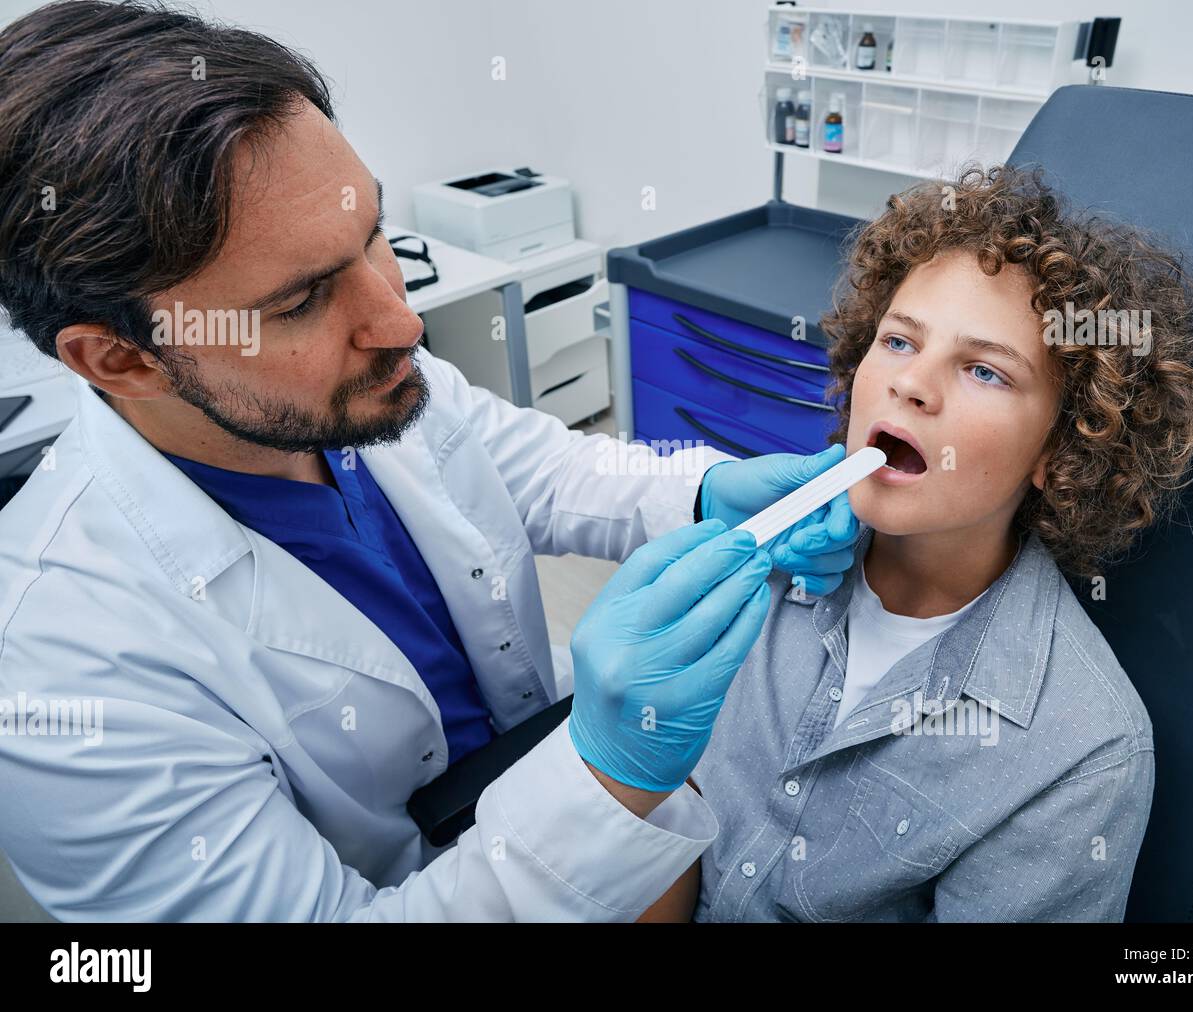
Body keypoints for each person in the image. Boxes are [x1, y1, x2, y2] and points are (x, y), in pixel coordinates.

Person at [0, 0, 863, 921]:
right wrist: (608, 784)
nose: (401, 321)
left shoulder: (363, 379)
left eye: (372, 233)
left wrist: (700, 487)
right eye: (300, 301)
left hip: (533, 764)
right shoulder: (56, 673)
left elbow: (534, 467)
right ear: (122, 358)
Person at [644, 163, 1193, 922]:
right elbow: (674, 806)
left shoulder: (1078, 757)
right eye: (897, 340)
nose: (911, 384)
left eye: (985, 370)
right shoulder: (762, 565)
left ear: (1065, 450)